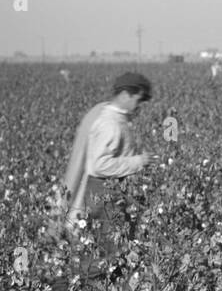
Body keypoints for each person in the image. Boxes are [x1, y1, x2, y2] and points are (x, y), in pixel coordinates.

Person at [59, 71, 154, 234]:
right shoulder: (110, 123)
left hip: (110, 195)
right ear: (125, 95)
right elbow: (100, 165)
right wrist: (139, 162)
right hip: (104, 196)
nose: (140, 106)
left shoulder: (113, 117)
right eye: (138, 100)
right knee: (109, 247)